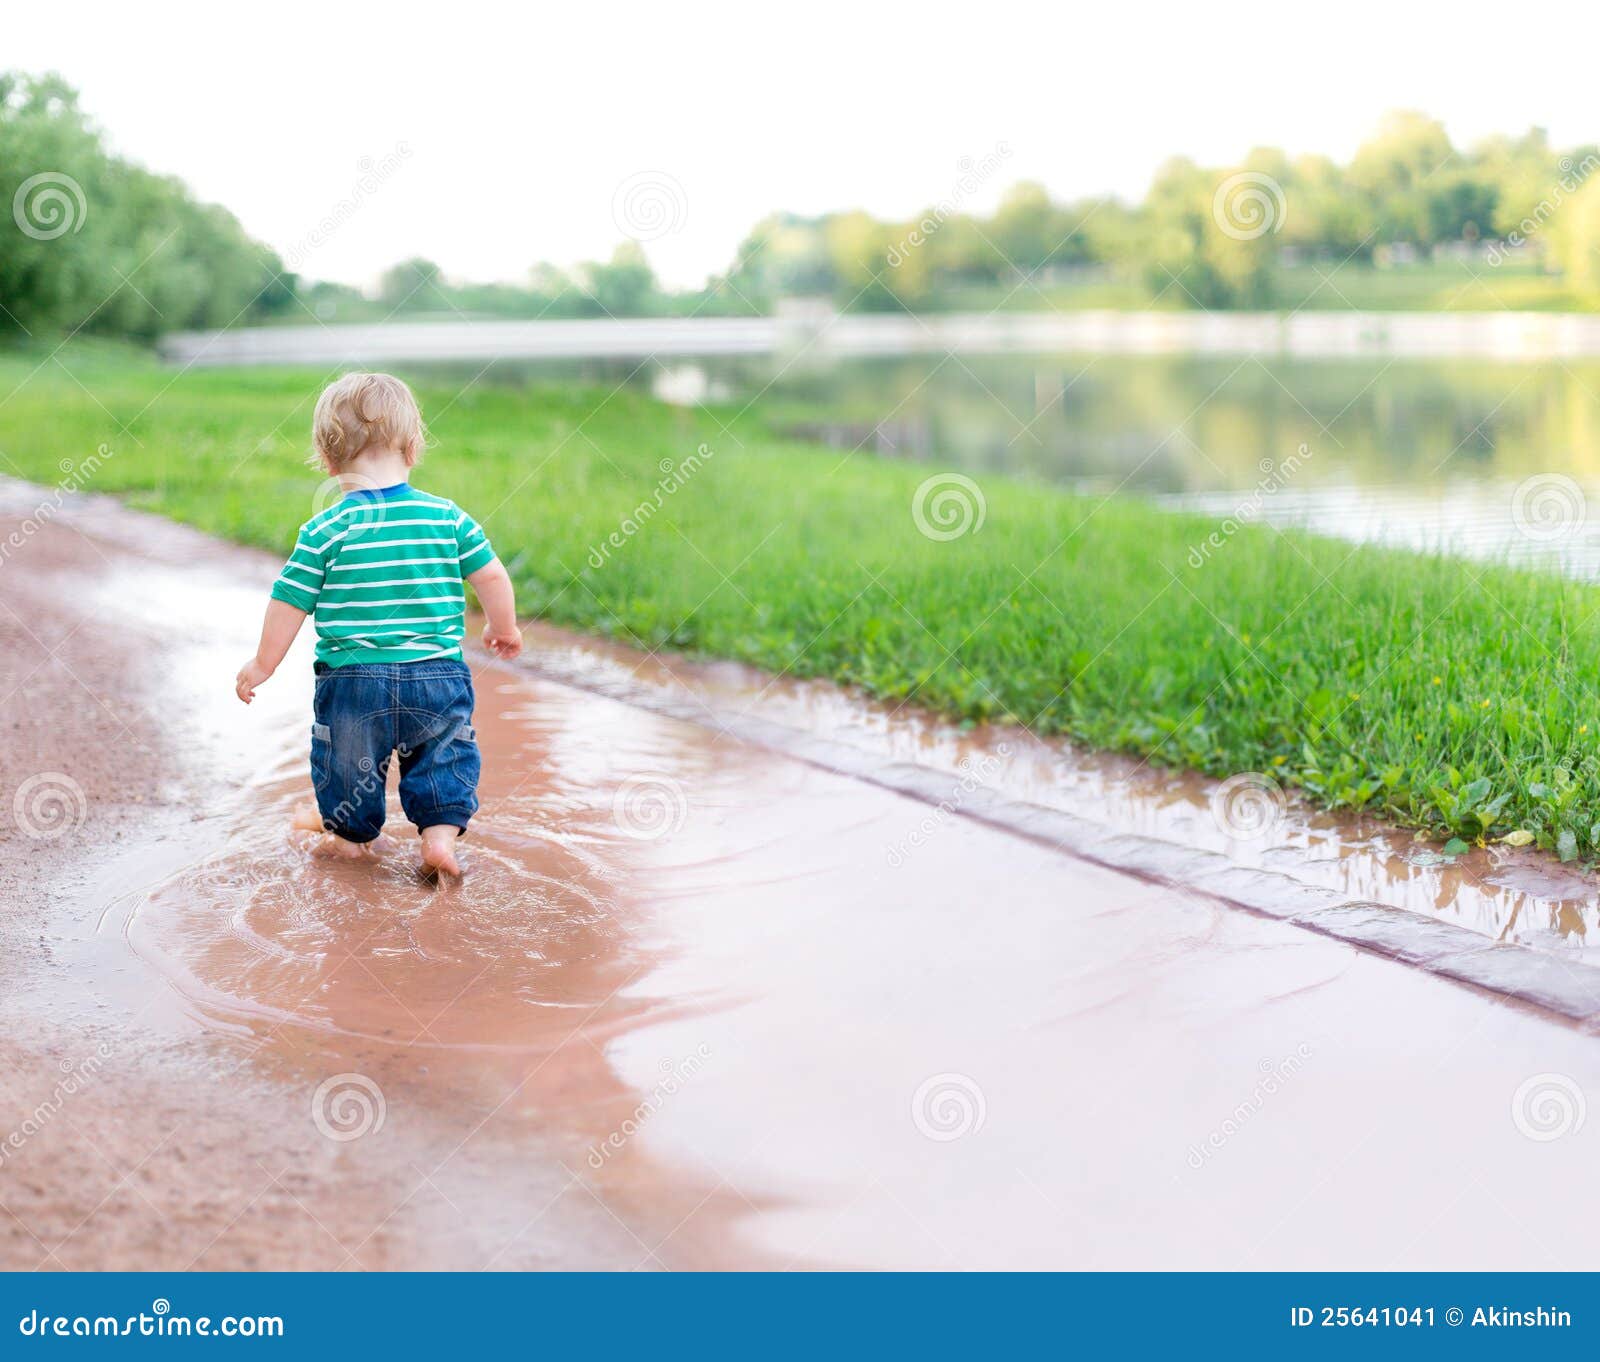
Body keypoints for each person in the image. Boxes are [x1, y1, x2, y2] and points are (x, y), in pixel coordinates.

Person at [235, 372, 522, 875]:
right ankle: (437, 841)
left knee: (346, 770)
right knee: (443, 759)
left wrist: (264, 663)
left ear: (327, 459)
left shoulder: (325, 527)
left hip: (353, 681)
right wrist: (504, 628)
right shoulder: (446, 518)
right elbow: (492, 575)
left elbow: (289, 600)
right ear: (413, 447)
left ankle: (349, 839)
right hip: (436, 675)